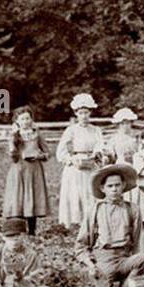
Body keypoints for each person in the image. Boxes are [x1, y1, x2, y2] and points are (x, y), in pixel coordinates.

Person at [76, 163, 144, 287]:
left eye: (117, 185)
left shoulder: (132, 209)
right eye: (110, 186)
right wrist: (91, 265)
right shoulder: (95, 210)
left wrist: (133, 276)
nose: (114, 189)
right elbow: (81, 245)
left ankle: (126, 284)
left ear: (124, 185)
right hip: (104, 259)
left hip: (125, 258)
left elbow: (139, 242)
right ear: (102, 188)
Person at [56, 92, 102, 227]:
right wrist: (71, 160)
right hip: (76, 166)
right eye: (81, 113)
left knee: (91, 192)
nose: (84, 116)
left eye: (86, 112)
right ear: (76, 113)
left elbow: (100, 144)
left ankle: (92, 222)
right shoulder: (71, 130)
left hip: (91, 163)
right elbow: (61, 150)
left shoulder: (96, 130)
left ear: (90, 113)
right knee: (76, 193)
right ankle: (76, 223)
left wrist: (96, 154)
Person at [3, 107, 49, 235]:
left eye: (28, 118)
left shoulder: (37, 134)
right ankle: (17, 230)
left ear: (31, 119)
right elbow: (13, 158)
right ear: (17, 121)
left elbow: (47, 153)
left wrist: (39, 156)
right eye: (22, 119)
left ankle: (32, 231)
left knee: (32, 197)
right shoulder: (14, 136)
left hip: (34, 170)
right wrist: (12, 144)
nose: (26, 121)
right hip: (19, 170)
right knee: (19, 198)